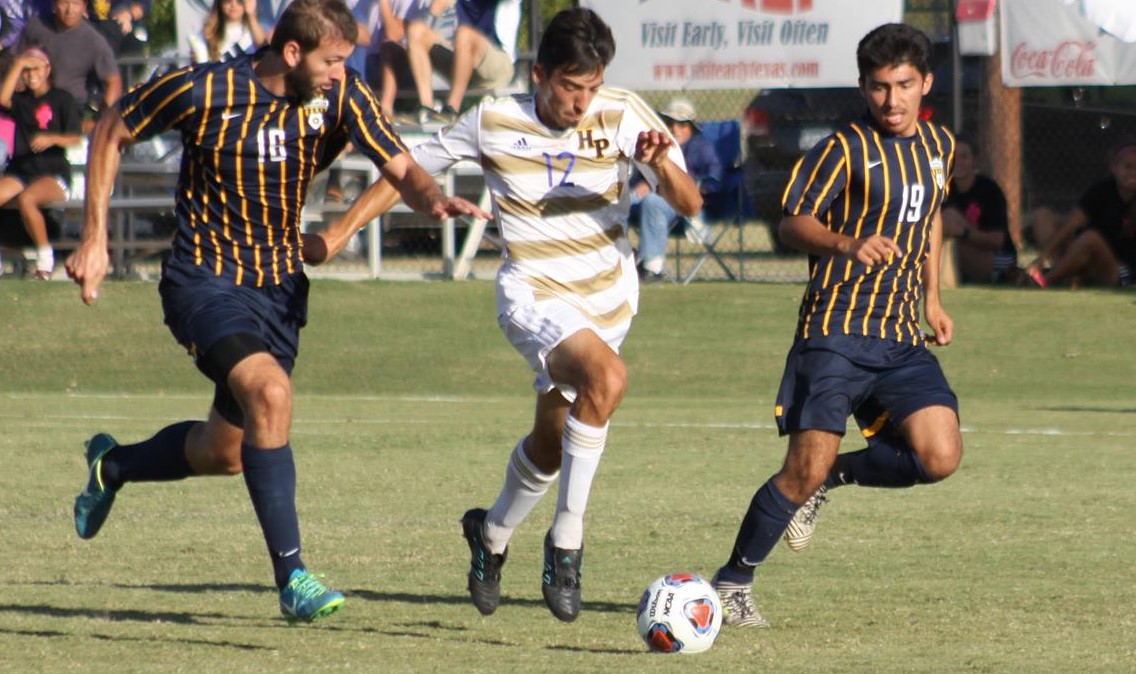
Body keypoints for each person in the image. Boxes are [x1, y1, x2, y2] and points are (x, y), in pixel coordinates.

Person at [64, 0, 487, 624]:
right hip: (203, 281)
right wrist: (96, 237)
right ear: (292, 53)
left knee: (225, 452)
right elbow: (113, 128)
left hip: (279, 291)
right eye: (332, 60)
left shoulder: (340, 96)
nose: (340, 72)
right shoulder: (205, 88)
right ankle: (292, 577)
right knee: (270, 392)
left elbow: (402, 165)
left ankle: (113, 465)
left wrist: (432, 201)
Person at [306, 7, 701, 622]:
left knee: (550, 442)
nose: (582, 102)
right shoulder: (493, 120)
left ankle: (490, 536)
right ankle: (566, 542)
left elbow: (691, 201)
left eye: (592, 87)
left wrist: (659, 163)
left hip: (608, 298)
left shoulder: (624, 112)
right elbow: (405, 169)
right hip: (535, 293)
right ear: (539, 73)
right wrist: (336, 233)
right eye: (571, 87)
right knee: (608, 381)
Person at [708, 23, 963, 628]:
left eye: (904, 85)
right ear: (862, 87)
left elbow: (928, 218)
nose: (891, 100)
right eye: (878, 87)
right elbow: (792, 223)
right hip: (836, 331)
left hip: (901, 336)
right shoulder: (844, 149)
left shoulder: (941, 147)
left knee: (940, 456)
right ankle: (731, 582)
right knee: (802, 468)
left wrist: (932, 298)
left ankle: (838, 477)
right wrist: (846, 242)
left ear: (925, 83)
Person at [1027, 140, 1136, 287]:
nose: (1134, 173)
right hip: (1086, 258)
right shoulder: (1102, 190)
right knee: (1042, 215)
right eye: (1128, 167)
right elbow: (1072, 224)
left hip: (1118, 270)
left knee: (1091, 237)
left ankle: (1047, 280)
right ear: (1114, 168)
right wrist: (1041, 259)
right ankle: (1061, 271)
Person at [0, 47, 80, 279]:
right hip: (21, 171)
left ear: (47, 70)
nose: (31, 74)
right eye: (26, 71)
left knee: (28, 200)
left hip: (52, 172)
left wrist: (52, 138)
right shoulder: (21, 101)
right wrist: (17, 65)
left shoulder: (62, 99)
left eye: (35, 69)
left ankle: (45, 257)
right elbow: (3, 98)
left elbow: (75, 137)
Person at [630, 97, 721, 282]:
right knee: (618, 201)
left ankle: (652, 269)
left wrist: (676, 186)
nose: (674, 129)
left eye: (682, 124)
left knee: (653, 202)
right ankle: (618, 260)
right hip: (645, 205)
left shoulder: (702, 147)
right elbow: (638, 178)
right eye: (670, 123)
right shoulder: (653, 143)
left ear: (692, 127)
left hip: (683, 210)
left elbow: (714, 180)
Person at [405, 0, 519, 125]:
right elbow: (436, 8)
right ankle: (427, 108)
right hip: (464, 60)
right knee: (416, 31)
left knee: (464, 34)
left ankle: (451, 110)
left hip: (499, 66)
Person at [17, 0, 121, 134]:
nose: (69, 10)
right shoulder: (35, 26)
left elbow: (114, 82)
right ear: (54, 4)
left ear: (84, 6)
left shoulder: (94, 41)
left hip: (69, 113)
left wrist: (98, 121)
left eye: (76, 4)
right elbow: (15, 61)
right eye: (64, 3)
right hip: (30, 108)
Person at [940, 135, 1018, 283]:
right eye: (953, 157)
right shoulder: (944, 190)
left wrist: (962, 232)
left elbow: (997, 241)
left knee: (950, 217)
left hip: (997, 258)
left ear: (975, 161)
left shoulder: (989, 190)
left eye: (964, 157)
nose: (958, 162)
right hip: (964, 252)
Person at [188, 0, 268, 63]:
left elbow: (264, 50)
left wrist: (251, 15)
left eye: (240, 1)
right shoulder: (207, 32)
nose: (233, 4)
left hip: (247, 81)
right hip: (219, 81)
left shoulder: (258, 28)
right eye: (227, 0)